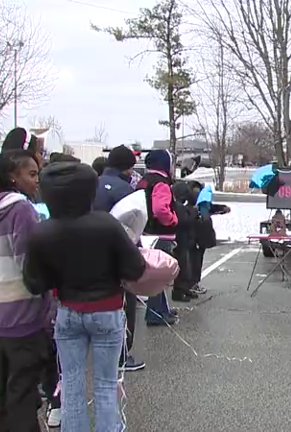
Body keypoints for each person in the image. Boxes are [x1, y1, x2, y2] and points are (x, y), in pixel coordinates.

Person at [23, 161, 147, 432]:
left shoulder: (42, 231)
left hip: (67, 311)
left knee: (71, 383)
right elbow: (135, 268)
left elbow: (34, 283)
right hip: (107, 309)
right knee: (105, 383)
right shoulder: (106, 224)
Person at [0, 149, 53, 432]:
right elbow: (29, 263)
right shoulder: (20, 208)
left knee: (4, 389)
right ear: (11, 177)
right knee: (24, 392)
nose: (36, 181)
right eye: (31, 174)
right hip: (23, 310)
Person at [92, 145, 147, 372]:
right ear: (128, 167)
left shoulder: (90, 184)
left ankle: (96, 348)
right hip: (116, 255)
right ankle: (121, 355)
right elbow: (133, 226)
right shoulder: (125, 189)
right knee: (123, 304)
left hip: (87, 253)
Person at [136, 150, 181, 325]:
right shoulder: (161, 183)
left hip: (145, 232)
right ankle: (155, 314)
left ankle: (162, 309)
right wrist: (173, 219)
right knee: (159, 275)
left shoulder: (143, 181)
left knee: (155, 274)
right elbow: (160, 209)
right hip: (160, 234)